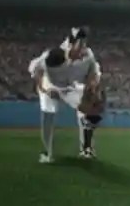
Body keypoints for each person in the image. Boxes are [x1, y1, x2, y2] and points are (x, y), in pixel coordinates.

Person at [28, 26, 103, 162]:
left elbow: (94, 73)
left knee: (89, 109)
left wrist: (92, 87)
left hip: (70, 88)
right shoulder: (54, 56)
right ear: (70, 44)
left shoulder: (88, 56)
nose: (84, 47)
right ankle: (47, 153)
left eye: (85, 43)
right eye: (80, 43)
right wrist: (44, 90)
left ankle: (86, 148)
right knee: (48, 114)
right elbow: (37, 70)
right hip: (50, 86)